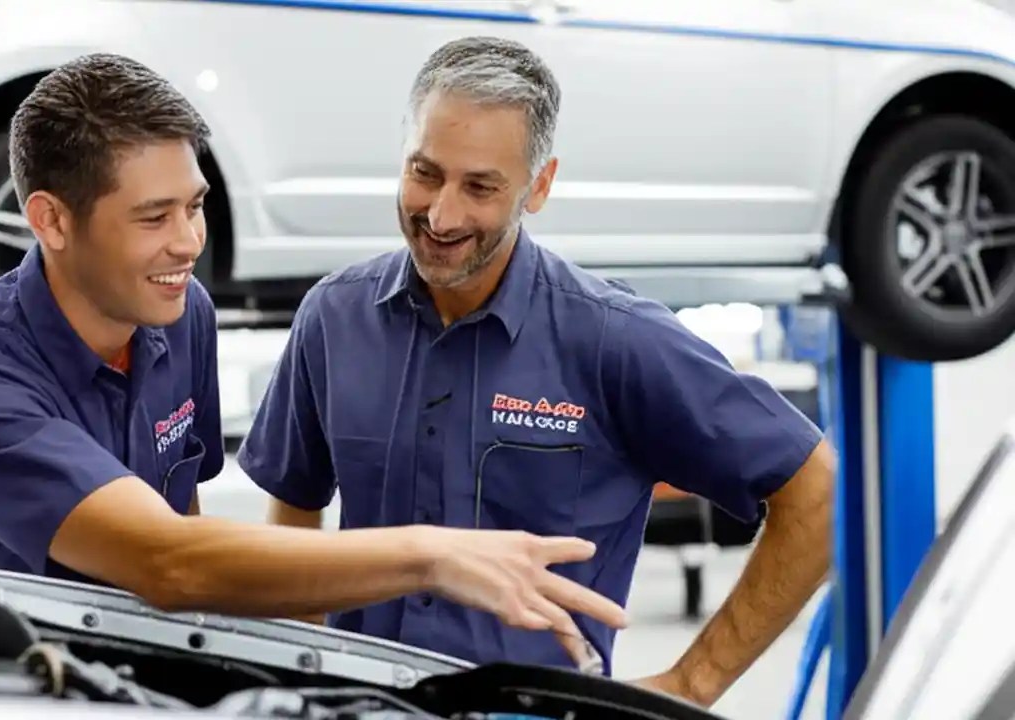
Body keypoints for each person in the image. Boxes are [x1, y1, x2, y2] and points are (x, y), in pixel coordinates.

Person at [0, 53, 627, 667]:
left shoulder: (180, 317)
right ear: (50, 219)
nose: (189, 243)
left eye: (195, 205)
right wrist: (430, 556)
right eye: (154, 217)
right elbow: (170, 561)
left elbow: (188, 518)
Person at [237, 36, 835, 707]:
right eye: (425, 173)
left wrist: (689, 686)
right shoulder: (333, 318)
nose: (441, 214)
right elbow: (293, 520)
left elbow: (818, 494)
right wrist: (304, 680)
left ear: (539, 185)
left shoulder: (613, 340)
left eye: (480, 187)